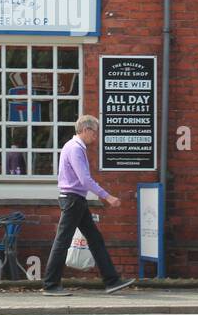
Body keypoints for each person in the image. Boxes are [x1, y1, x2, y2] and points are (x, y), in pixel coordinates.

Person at [42, 115, 135, 296]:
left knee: (95, 239)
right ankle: (50, 284)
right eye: (95, 132)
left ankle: (112, 281)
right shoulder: (75, 148)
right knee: (62, 242)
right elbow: (84, 180)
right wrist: (107, 196)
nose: (96, 137)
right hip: (73, 200)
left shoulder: (73, 146)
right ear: (86, 130)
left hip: (76, 200)